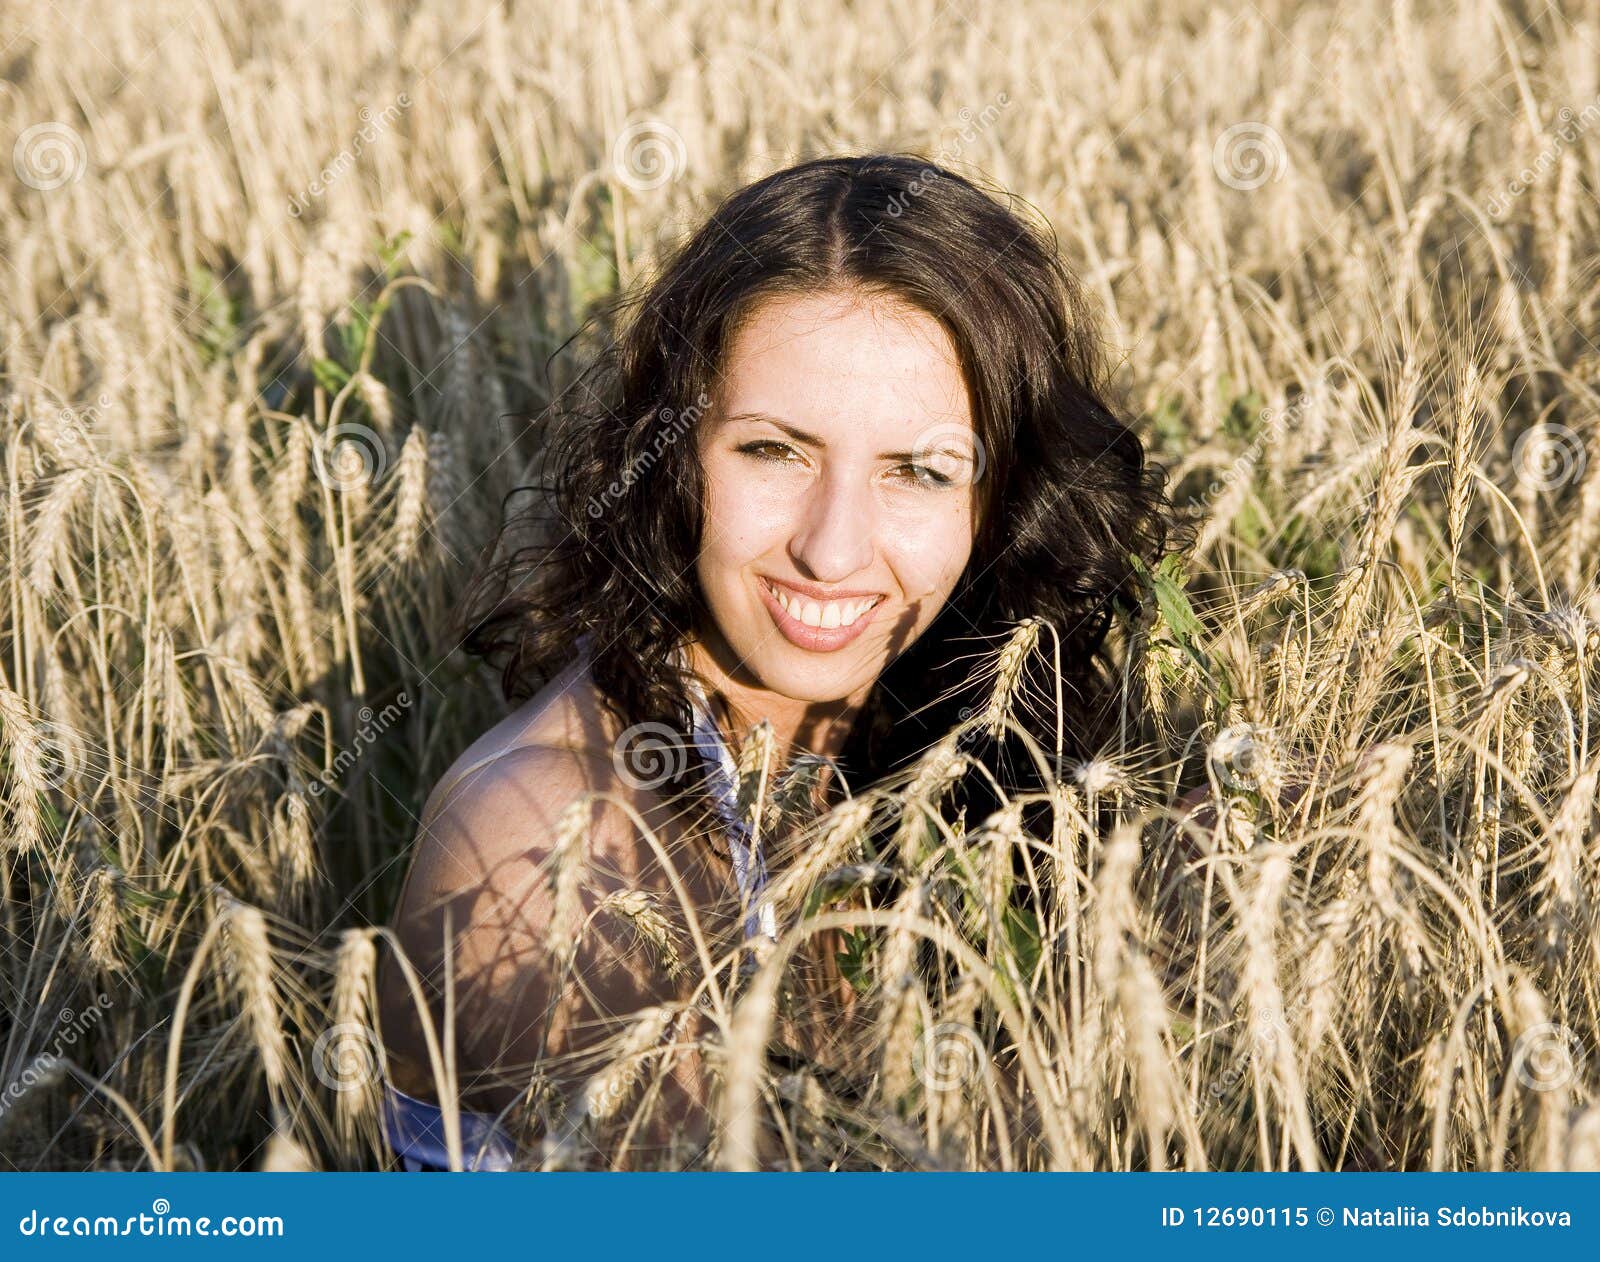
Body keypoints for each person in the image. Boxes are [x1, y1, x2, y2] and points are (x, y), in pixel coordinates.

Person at [374, 152, 1174, 1171]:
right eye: (772, 451)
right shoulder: (547, 850)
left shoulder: (920, 732)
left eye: (920, 471)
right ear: (671, 448)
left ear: (1002, 500)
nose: (831, 549)